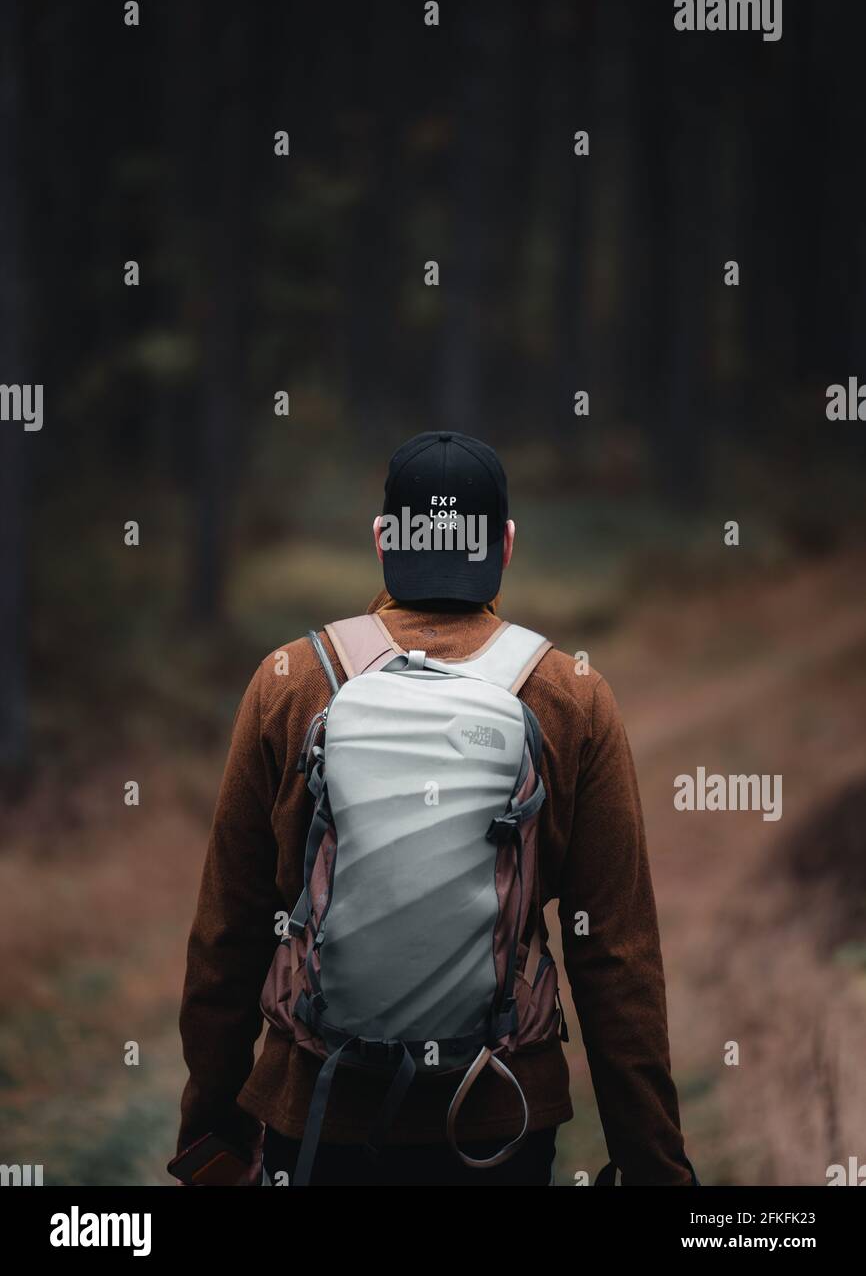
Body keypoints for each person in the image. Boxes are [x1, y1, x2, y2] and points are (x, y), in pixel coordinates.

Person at [175, 430, 698, 1186]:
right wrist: (654, 1165)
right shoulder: (572, 696)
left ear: (383, 540)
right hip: (499, 1123)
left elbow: (227, 934)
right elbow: (615, 956)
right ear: (506, 545)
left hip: (317, 1119)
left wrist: (211, 1133)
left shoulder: (288, 683)